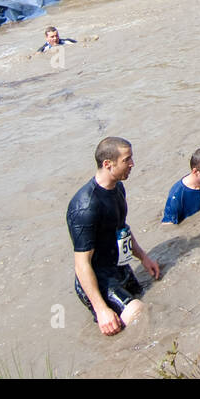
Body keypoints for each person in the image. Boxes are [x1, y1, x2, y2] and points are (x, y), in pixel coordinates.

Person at [66, 137, 160, 336]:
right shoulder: (85, 207)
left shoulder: (117, 188)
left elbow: (121, 227)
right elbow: (82, 264)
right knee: (138, 314)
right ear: (108, 164)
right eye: (127, 160)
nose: (132, 164)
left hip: (119, 267)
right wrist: (101, 310)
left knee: (154, 297)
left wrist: (144, 257)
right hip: (99, 279)